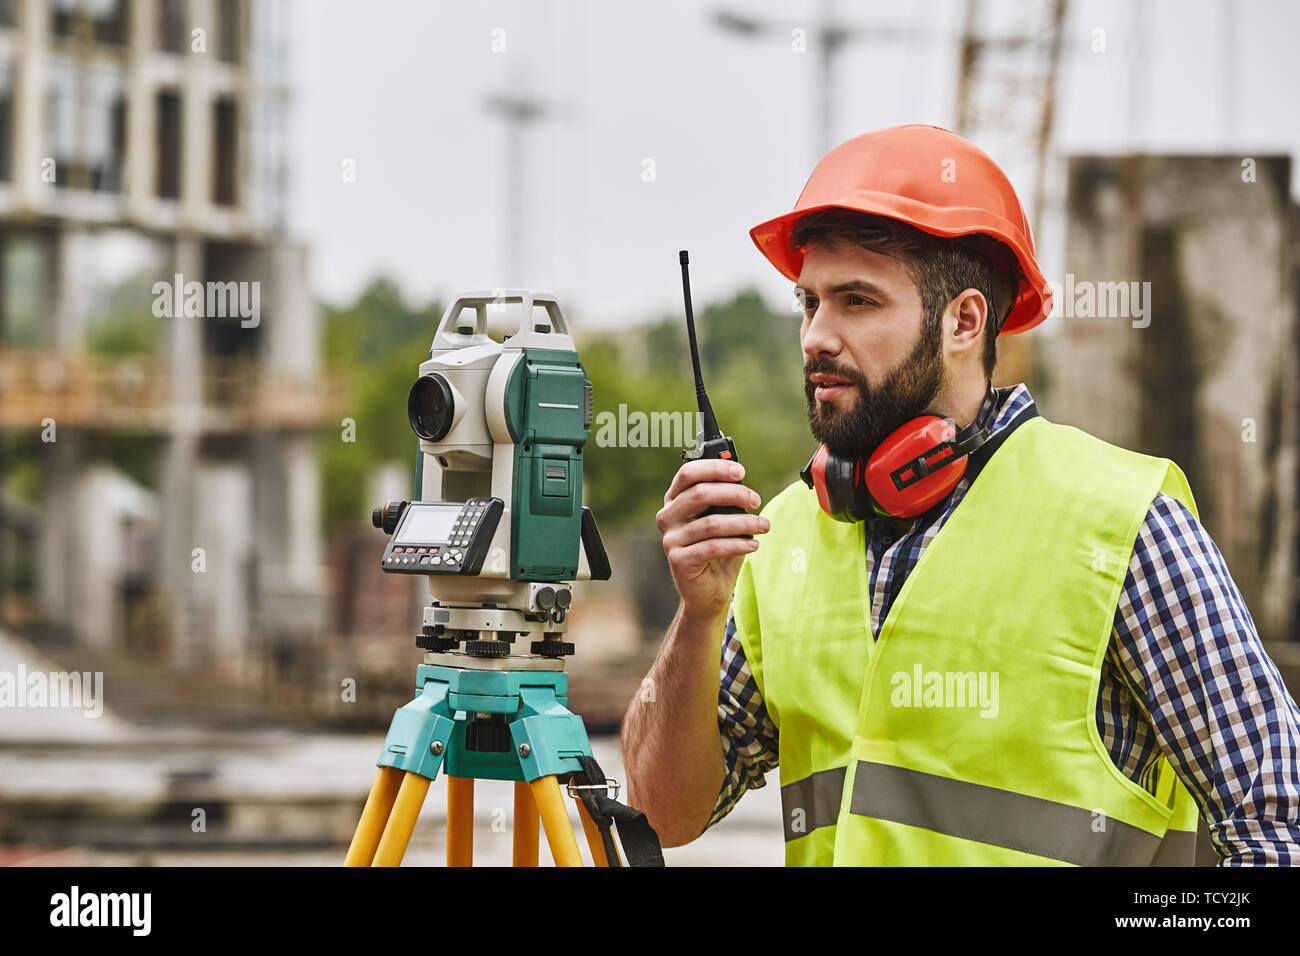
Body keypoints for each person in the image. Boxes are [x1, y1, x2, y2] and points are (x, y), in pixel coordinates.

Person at [621, 123, 1300, 866]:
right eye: (808, 302)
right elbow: (661, 815)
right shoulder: (774, 539)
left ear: (964, 320)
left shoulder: (1123, 523)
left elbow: (1276, 823)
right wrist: (699, 612)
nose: (816, 335)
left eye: (857, 301)